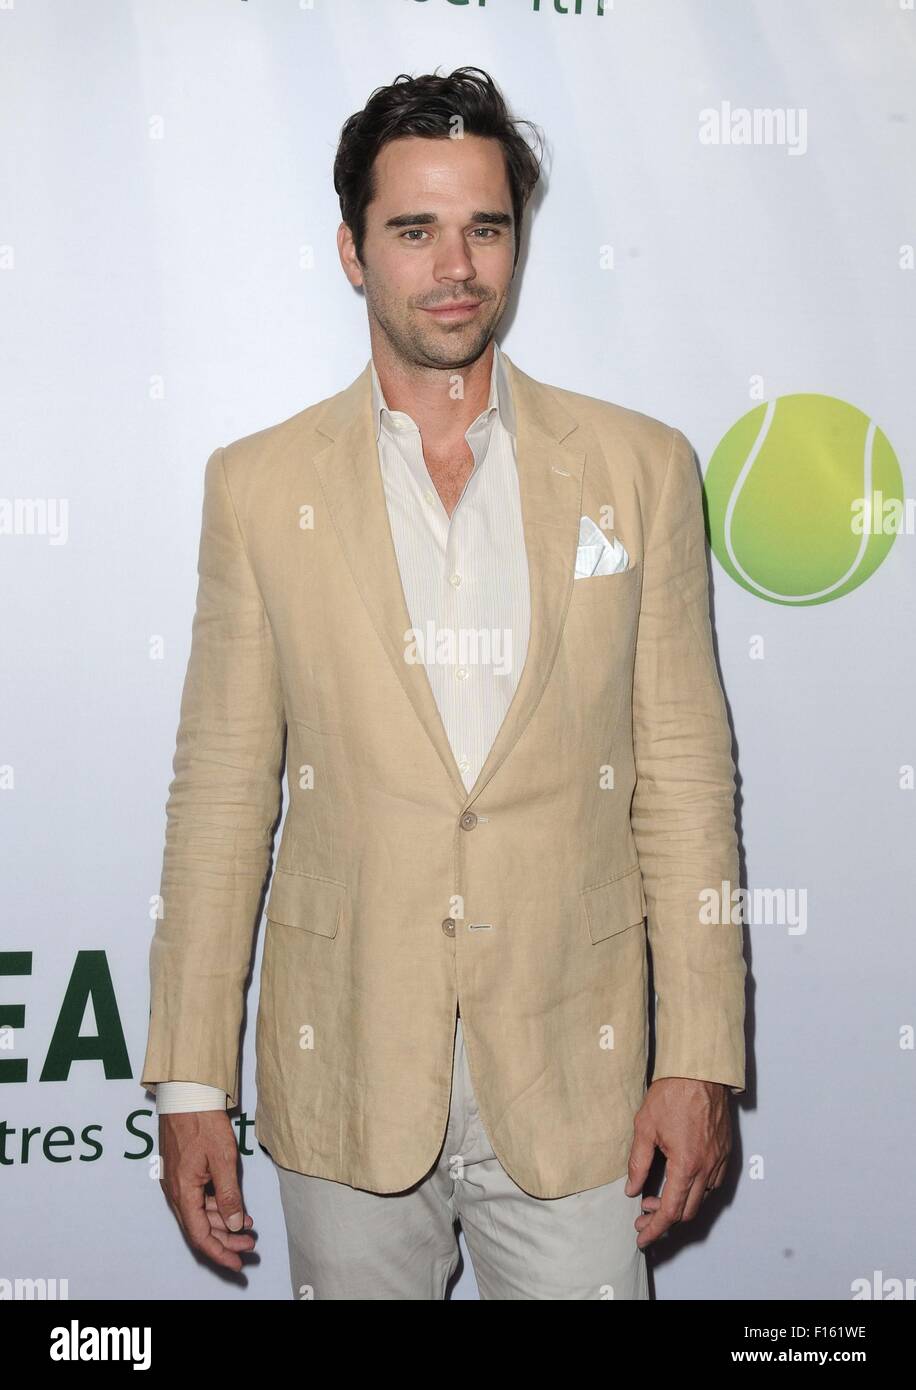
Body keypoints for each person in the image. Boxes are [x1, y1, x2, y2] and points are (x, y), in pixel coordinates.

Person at [141, 65, 747, 1300]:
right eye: (413, 228)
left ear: (518, 242)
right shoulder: (256, 487)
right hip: (348, 1064)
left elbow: (685, 780)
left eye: (485, 226)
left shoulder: (640, 467)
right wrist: (192, 1084)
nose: (455, 264)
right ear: (355, 251)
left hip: (582, 1082)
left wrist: (699, 1057)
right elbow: (219, 798)